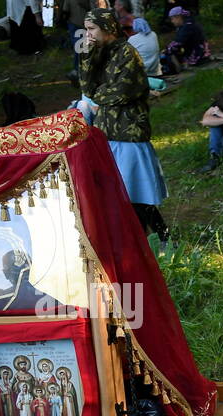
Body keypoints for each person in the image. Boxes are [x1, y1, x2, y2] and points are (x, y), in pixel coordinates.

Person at [79, 6, 169, 241]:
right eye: (85, 29)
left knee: (137, 192)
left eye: (92, 29)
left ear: (107, 28)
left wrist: (96, 96)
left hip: (129, 132)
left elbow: (122, 93)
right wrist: (88, 55)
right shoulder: (101, 53)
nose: (88, 34)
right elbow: (87, 89)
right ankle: (143, 240)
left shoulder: (128, 53)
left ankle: (162, 237)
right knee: (121, 193)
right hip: (107, 133)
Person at [160, 4, 208, 74]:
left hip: (197, 55)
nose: (172, 21)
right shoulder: (189, 23)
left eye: (172, 19)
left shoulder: (187, 27)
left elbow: (178, 42)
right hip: (201, 52)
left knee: (169, 53)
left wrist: (167, 49)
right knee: (172, 50)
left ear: (178, 17)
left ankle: (174, 71)